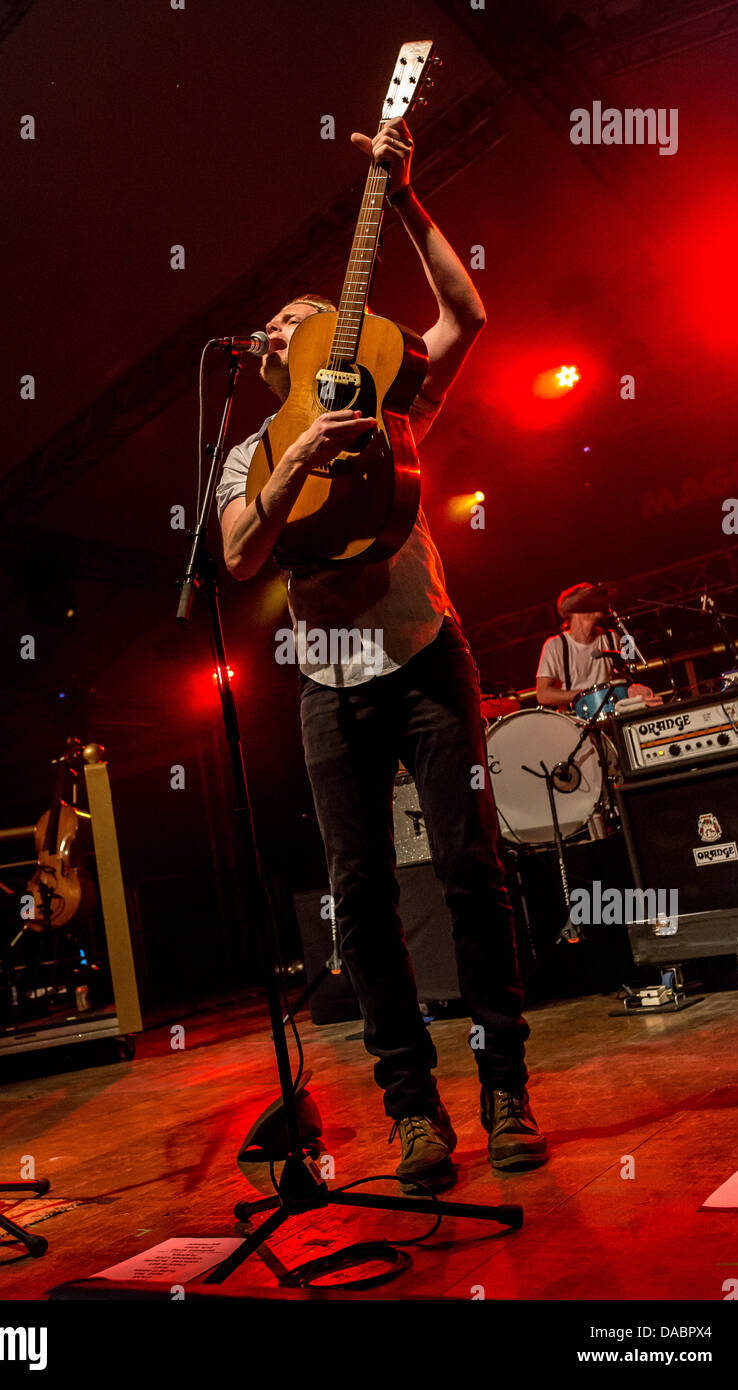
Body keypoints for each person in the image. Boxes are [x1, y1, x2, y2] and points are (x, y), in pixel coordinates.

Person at [217, 117, 546, 1190]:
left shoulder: (393, 414)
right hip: (325, 683)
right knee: (358, 897)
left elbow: (467, 314)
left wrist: (401, 199)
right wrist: (291, 461)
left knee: (466, 867)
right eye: (275, 323)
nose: (283, 330)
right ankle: (411, 1109)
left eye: (304, 319)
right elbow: (236, 554)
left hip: (421, 656)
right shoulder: (247, 452)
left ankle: (503, 1086)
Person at [536, 583, 624, 710]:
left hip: (611, 711)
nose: (599, 603)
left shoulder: (612, 637)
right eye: (590, 600)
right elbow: (543, 694)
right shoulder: (555, 646)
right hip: (575, 720)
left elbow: (623, 678)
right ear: (576, 608)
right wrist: (587, 695)